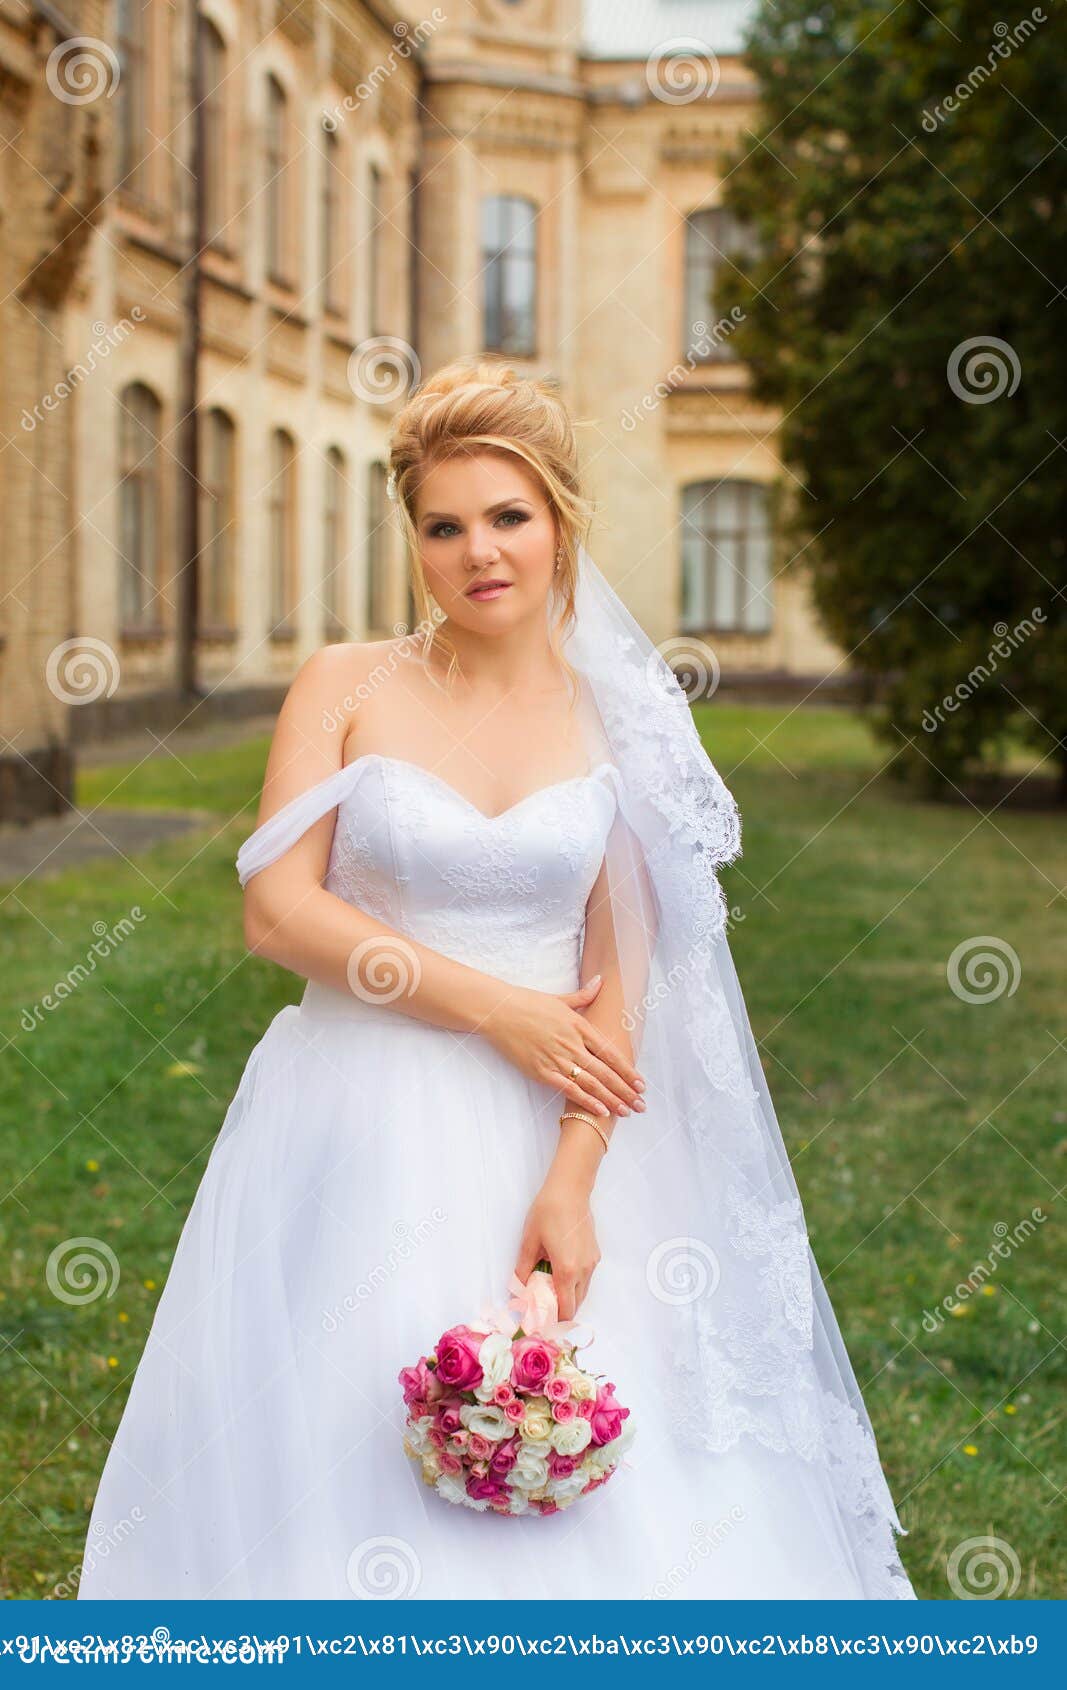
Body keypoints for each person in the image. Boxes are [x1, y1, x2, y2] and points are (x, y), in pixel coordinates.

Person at [77, 360, 913, 1600]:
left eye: (508, 516)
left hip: (554, 1118)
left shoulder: (616, 720)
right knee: (333, 1419)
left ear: (562, 519)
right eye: (443, 525)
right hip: (354, 1106)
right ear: (412, 536)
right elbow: (277, 910)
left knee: (602, 1441)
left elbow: (620, 966)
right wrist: (498, 1007)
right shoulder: (346, 683)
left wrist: (575, 1174)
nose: (480, 552)